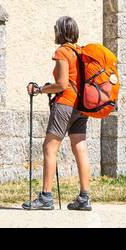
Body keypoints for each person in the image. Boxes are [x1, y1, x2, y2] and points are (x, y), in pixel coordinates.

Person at [23, 17, 93, 212]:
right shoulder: (81, 52)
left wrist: (39, 90)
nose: (54, 32)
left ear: (61, 32)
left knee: (49, 147)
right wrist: (47, 88)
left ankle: (46, 196)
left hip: (65, 105)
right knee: (80, 148)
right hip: (82, 106)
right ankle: (84, 197)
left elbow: (62, 85)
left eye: (55, 29)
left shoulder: (63, 52)